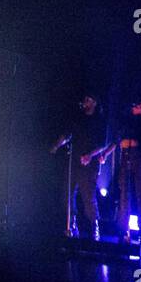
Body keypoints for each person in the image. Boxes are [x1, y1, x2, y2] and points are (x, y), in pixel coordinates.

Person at [93, 100, 141, 243]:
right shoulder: (127, 121)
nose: (138, 108)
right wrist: (105, 154)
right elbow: (117, 140)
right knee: (124, 194)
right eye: (138, 106)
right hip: (125, 156)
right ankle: (123, 229)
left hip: (139, 156)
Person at [50, 93, 106, 238]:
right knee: (67, 193)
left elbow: (102, 144)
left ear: (94, 103)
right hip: (74, 160)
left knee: (88, 195)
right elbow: (68, 134)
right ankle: (72, 224)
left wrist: (89, 155)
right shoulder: (78, 118)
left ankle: (95, 227)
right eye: (85, 99)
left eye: (88, 100)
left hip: (90, 162)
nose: (85, 102)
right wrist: (57, 145)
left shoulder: (99, 120)